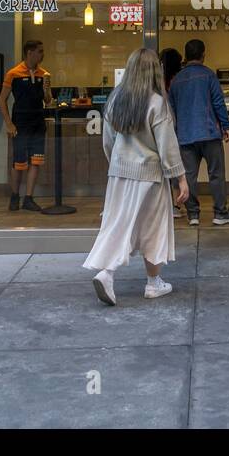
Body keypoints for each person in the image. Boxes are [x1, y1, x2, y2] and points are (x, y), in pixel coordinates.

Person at [85, 47, 190, 306]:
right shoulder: (157, 102)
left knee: (119, 224)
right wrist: (181, 179)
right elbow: (168, 146)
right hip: (150, 176)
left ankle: (107, 272)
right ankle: (153, 283)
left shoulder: (115, 100)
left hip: (119, 174)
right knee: (153, 228)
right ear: (156, 70)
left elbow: (108, 141)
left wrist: (117, 167)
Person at [167, 39, 229, 226]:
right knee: (216, 174)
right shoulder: (209, 76)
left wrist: (175, 133)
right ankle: (220, 213)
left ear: (186, 56)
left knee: (189, 175)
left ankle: (193, 215)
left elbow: (171, 110)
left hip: (185, 136)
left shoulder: (176, 81)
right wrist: (226, 126)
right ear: (203, 55)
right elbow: (218, 103)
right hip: (209, 133)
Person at [0, 39, 51, 212]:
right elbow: (2, 100)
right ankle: (15, 196)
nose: (42, 54)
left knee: (35, 161)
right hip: (20, 122)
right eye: (40, 51)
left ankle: (29, 198)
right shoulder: (13, 73)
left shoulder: (44, 74)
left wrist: (46, 89)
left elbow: (48, 101)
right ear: (30, 53)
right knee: (19, 162)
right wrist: (9, 123)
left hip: (38, 121)